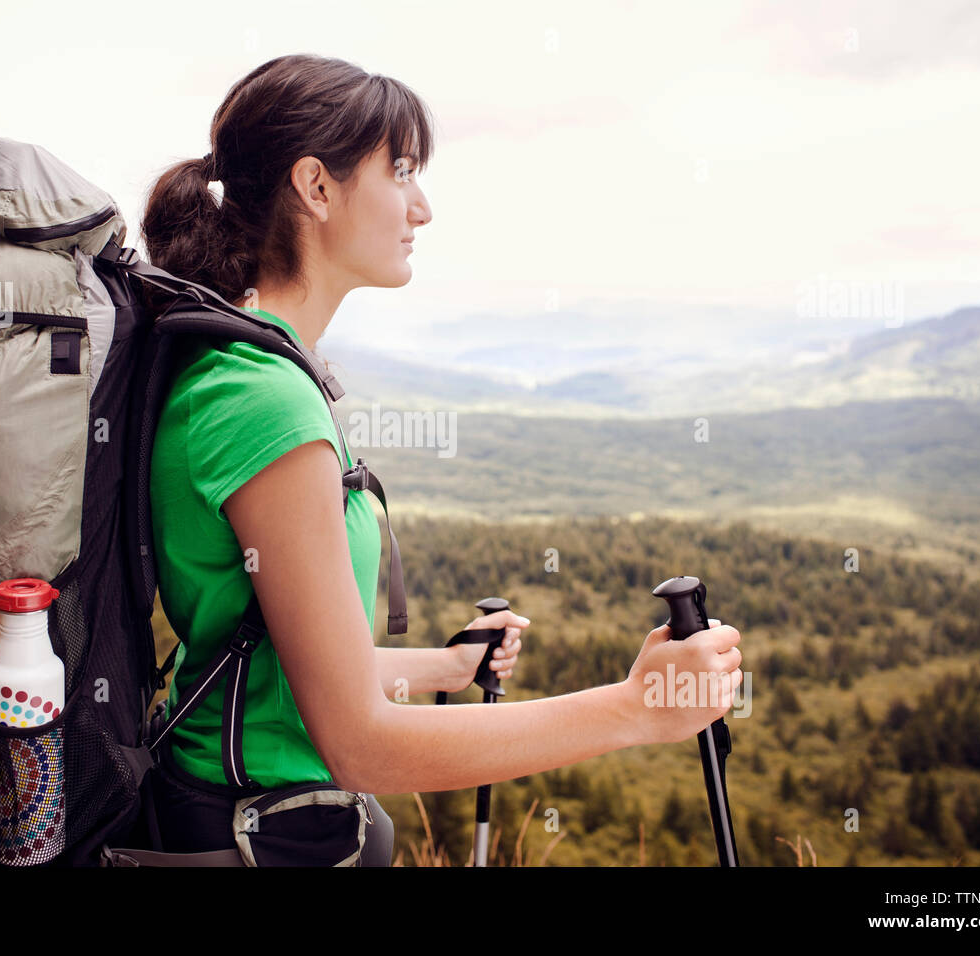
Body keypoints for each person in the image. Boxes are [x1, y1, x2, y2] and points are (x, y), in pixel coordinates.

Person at [142, 54, 744, 866]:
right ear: (317, 188)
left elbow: (275, 656)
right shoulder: (262, 400)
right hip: (256, 834)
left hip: (238, 809)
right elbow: (359, 744)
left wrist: (447, 667)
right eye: (400, 172)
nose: (421, 207)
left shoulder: (249, 368)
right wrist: (637, 708)